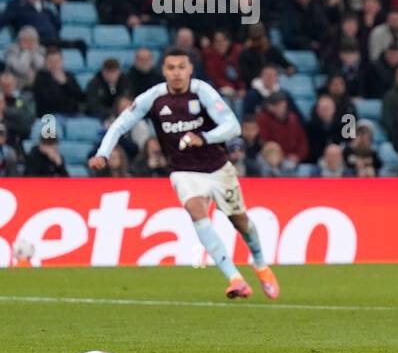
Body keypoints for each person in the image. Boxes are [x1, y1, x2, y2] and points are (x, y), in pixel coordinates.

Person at [89, 49, 279, 301]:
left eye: (181, 67)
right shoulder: (154, 97)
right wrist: (103, 153)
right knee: (196, 211)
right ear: (164, 71)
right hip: (183, 171)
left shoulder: (203, 92)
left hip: (218, 168)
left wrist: (204, 138)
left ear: (190, 69)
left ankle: (261, 265)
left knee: (240, 222)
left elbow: (232, 127)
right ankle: (235, 278)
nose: (176, 73)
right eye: (171, 68)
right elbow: (121, 123)